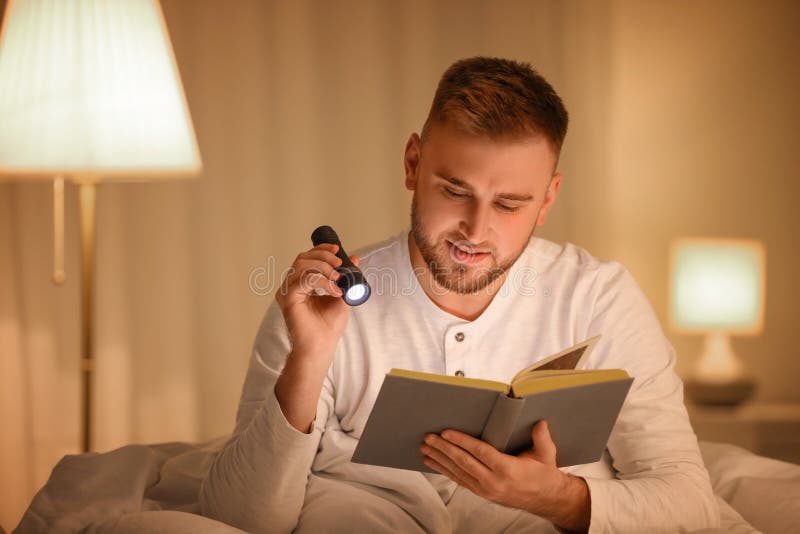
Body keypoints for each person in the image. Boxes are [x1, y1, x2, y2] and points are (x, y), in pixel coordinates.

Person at [200, 57, 720, 533]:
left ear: (548, 199)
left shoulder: (599, 297)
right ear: (412, 164)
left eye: (510, 204)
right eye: (455, 191)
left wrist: (559, 498)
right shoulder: (321, 301)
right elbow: (241, 518)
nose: (476, 230)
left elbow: (690, 503)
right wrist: (309, 360)